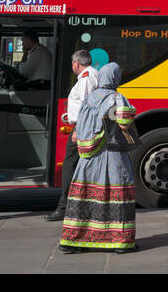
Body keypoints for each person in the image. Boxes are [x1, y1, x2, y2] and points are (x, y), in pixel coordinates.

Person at [59, 63, 139, 253]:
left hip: (88, 159)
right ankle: (119, 242)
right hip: (112, 155)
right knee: (117, 193)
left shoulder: (89, 98)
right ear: (115, 78)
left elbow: (78, 131)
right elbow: (125, 121)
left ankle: (74, 240)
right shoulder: (116, 98)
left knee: (85, 194)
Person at [46, 50, 99, 221]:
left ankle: (65, 206)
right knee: (78, 165)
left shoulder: (87, 77)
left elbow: (87, 104)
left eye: (72, 63)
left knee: (70, 165)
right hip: (83, 127)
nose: (72, 66)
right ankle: (74, 205)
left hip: (82, 128)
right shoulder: (88, 75)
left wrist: (78, 128)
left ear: (77, 63)